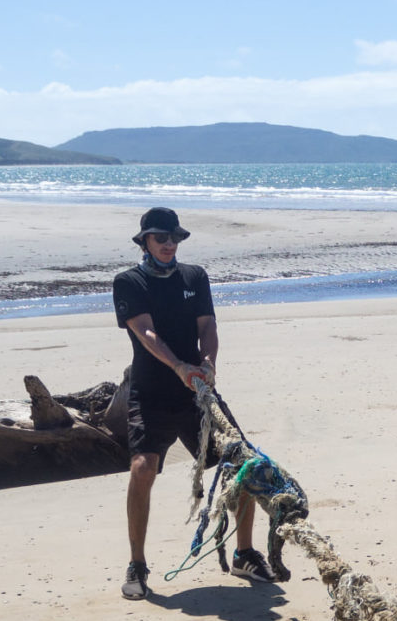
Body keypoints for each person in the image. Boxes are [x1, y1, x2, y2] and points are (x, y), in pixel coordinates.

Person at [112, 207, 276, 600]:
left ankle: (244, 554)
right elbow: (145, 331)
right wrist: (179, 366)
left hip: (197, 392)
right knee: (142, 467)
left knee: (243, 461)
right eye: (160, 239)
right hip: (150, 393)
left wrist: (207, 363)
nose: (169, 245)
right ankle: (137, 563)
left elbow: (208, 325)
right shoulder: (128, 282)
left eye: (174, 239)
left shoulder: (194, 277)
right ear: (144, 242)